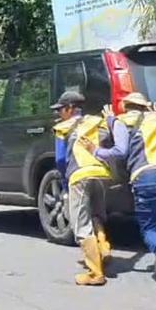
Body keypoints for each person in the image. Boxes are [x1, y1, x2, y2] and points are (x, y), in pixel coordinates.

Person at [92, 92, 156, 288]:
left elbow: (119, 151)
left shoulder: (120, 121)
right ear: (144, 106)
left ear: (126, 106)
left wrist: (110, 121)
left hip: (144, 175)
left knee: (149, 227)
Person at [51, 91, 114, 286]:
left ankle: (95, 274)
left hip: (79, 176)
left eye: (61, 109)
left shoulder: (63, 128)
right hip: (100, 174)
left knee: (81, 224)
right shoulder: (97, 122)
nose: (59, 114)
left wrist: (64, 182)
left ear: (70, 108)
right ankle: (103, 248)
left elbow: (61, 160)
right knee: (96, 214)